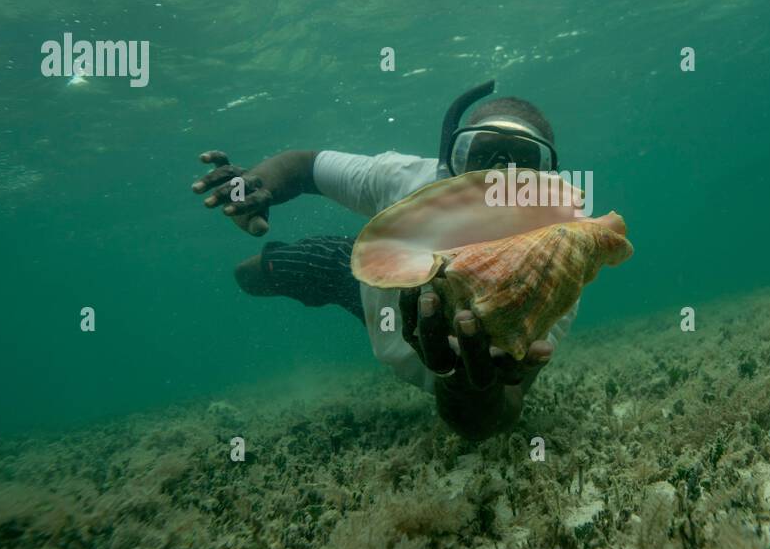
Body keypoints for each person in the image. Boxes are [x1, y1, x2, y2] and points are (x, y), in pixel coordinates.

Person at [191, 83, 570, 440]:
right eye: (480, 156)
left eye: (524, 166)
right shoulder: (403, 181)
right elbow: (306, 166)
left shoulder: (554, 271)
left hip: (448, 342)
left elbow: (495, 416)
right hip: (369, 283)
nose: (496, 181)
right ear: (449, 163)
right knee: (250, 274)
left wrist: (468, 386)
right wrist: (257, 184)